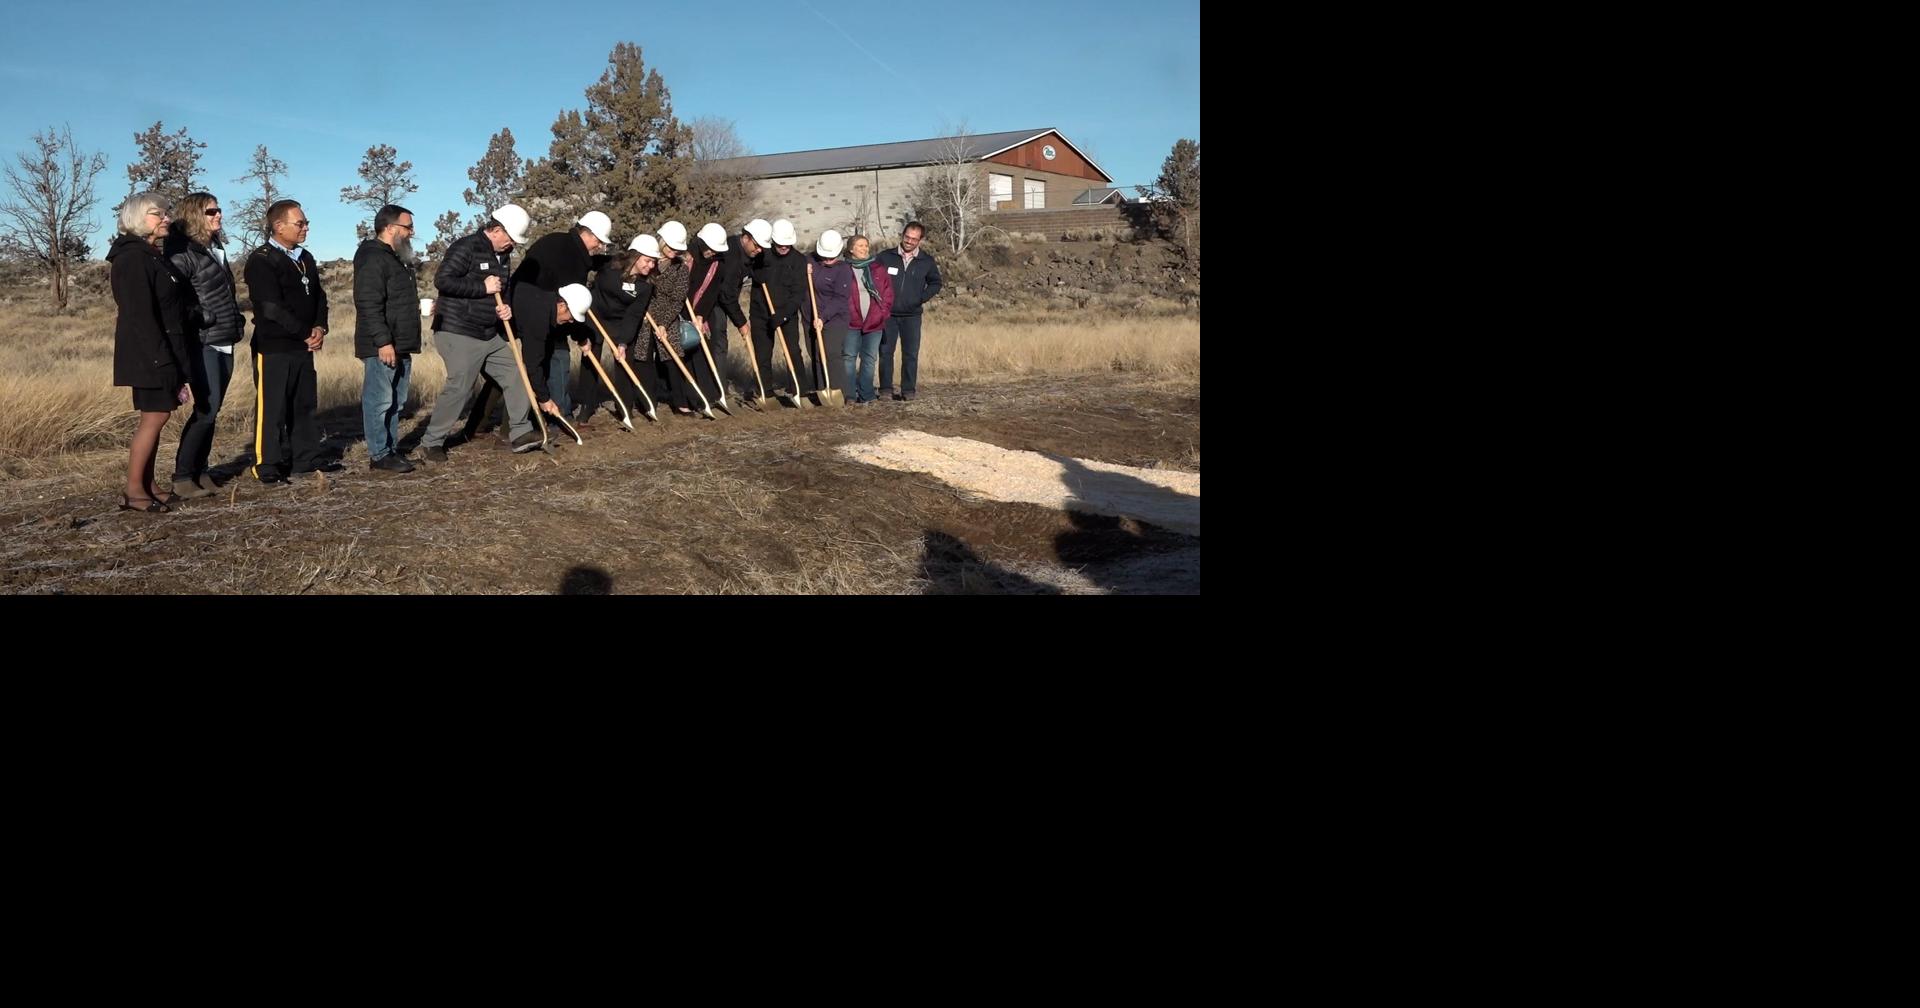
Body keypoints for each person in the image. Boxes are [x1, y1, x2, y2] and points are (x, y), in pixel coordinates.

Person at [418, 205, 544, 462]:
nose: (511, 245)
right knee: (460, 387)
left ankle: (520, 433)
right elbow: (443, 281)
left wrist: (503, 308)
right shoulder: (465, 247)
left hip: (488, 333)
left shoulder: (504, 256)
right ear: (496, 230)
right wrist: (482, 287)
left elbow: (500, 291)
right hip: (457, 330)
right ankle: (431, 443)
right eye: (509, 238)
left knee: (516, 373)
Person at [244, 199, 342, 483]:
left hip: (303, 347)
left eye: (306, 223)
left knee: (303, 405)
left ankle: (305, 460)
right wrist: (302, 332)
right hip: (274, 346)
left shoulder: (305, 258)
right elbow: (270, 308)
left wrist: (320, 327)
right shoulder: (262, 260)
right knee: (272, 407)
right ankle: (267, 465)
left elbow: (319, 296)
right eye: (300, 223)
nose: (306, 228)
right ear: (278, 226)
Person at [109, 191, 191, 512]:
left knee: (157, 416)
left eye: (166, 213)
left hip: (161, 348)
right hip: (148, 353)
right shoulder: (131, 258)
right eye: (159, 214)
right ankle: (133, 491)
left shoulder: (150, 254)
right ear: (137, 219)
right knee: (155, 417)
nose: (166, 218)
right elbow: (140, 316)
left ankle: (149, 484)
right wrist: (161, 358)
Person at [163, 191, 244, 497]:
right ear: (195, 215)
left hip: (225, 338)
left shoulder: (213, 248)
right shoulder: (183, 253)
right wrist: (204, 317)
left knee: (214, 409)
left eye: (219, 209)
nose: (219, 215)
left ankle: (201, 469)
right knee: (206, 410)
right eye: (211, 211)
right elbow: (175, 302)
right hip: (204, 341)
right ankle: (183, 476)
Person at [511, 210, 609, 427]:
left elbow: (571, 305)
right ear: (589, 235)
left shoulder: (574, 252)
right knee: (541, 364)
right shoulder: (564, 252)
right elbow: (569, 302)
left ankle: (559, 414)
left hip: (553, 317)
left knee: (557, 362)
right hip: (535, 316)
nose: (600, 247)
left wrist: (580, 335)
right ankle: (534, 419)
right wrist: (580, 334)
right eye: (599, 242)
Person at [354, 203, 422, 472]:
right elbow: (368, 303)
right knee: (380, 400)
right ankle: (380, 454)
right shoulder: (373, 257)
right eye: (408, 227)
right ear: (391, 228)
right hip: (383, 345)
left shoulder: (397, 259)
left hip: (401, 342)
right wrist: (383, 341)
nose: (412, 232)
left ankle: (391, 451)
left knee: (396, 401)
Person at [875, 220, 943, 401]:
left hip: (912, 316)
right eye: (907, 237)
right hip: (888, 315)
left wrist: (920, 299)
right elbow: (873, 279)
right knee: (885, 352)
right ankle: (886, 390)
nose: (909, 242)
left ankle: (908, 390)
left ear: (920, 240)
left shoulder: (926, 261)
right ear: (902, 235)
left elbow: (936, 283)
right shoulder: (885, 257)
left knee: (910, 354)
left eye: (914, 239)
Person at [842, 234, 894, 404]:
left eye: (866, 245)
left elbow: (887, 293)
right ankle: (849, 394)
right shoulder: (844, 269)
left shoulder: (877, 268)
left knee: (869, 358)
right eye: (860, 246)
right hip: (851, 321)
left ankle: (867, 394)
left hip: (874, 321)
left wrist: (883, 312)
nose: (864, 249)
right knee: (849, 357)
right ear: (851, 249)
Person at [803, 229, 852, 401]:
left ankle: (841, 393)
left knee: (831, 353)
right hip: (810, 317)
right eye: (824, 256)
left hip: (835, 318)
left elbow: (840, 299)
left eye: (831, 257)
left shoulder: (844, 270)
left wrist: (823, 317)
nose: (827, 260)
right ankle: (822, 391)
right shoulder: (809, 261)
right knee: (815, 353)